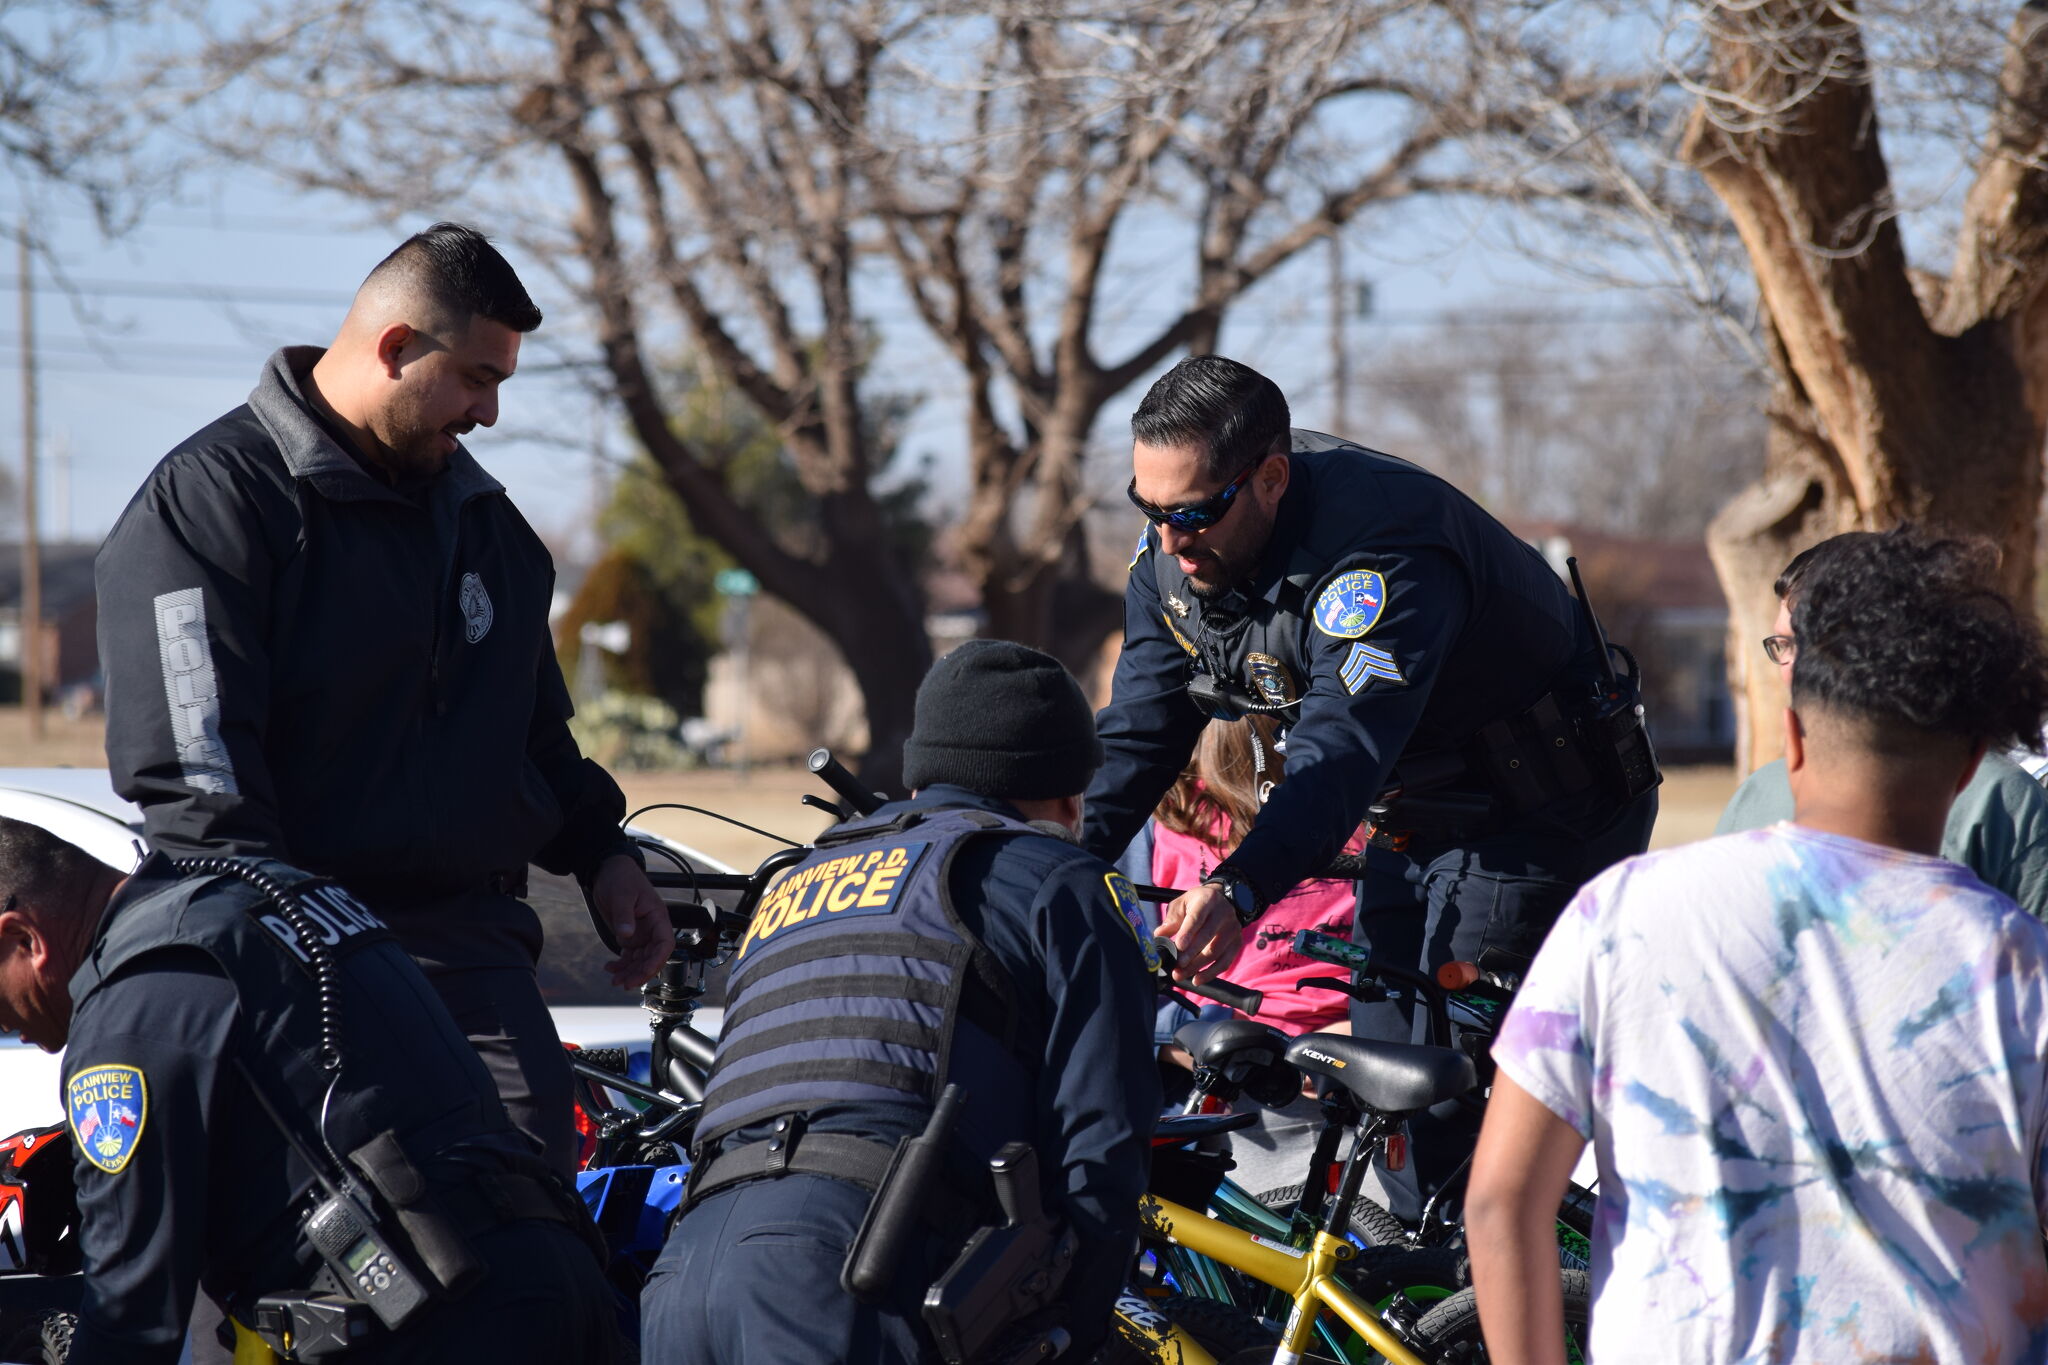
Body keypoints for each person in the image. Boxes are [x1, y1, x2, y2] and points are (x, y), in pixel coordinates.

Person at [94, 223, 669, 1179]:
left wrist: (604, 856)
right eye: (477, 378)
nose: (489, 412)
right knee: (352, 1251)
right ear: (396, 346)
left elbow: (535, 741)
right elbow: (198, 786)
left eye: (501, 384)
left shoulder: (490, 531)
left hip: (478, 960)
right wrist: (313, 954)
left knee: (535, 1233)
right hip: (296, 965)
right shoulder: (208, 505)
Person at [1468, 526, 2048, 1364]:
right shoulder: (2023, 968)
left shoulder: (1620, 915)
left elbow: (1501, 1199)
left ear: (1794, 736)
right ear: (1969, 767)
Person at [640, 641, 1161, 1365]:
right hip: (853, 1275)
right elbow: (1102, 1146)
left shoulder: (797, 882)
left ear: (919, 780)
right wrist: (1078, 1333)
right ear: (1069, 795)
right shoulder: (1060, 881)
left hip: (682, 1277)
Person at [0, 817, 620, 1364]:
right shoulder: (276, 893)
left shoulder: (130, 1011)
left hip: (433, 1326)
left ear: (24, 939)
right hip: (563, 1282)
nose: (7, 1027)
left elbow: (130, 1317)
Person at [1716, 533, 2048, 915]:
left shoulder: (2001, 800)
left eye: (1813, 645)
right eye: (1785, 644)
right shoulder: (1757, 794)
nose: (1796, 668)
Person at [1151, 714, 1356, 1196]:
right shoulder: (1167, 815)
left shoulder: (1370, 817)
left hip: (1350, 1084)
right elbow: (1126, 982)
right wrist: (1195, 1046)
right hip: (1230, 1092)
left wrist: (1367, 1035)